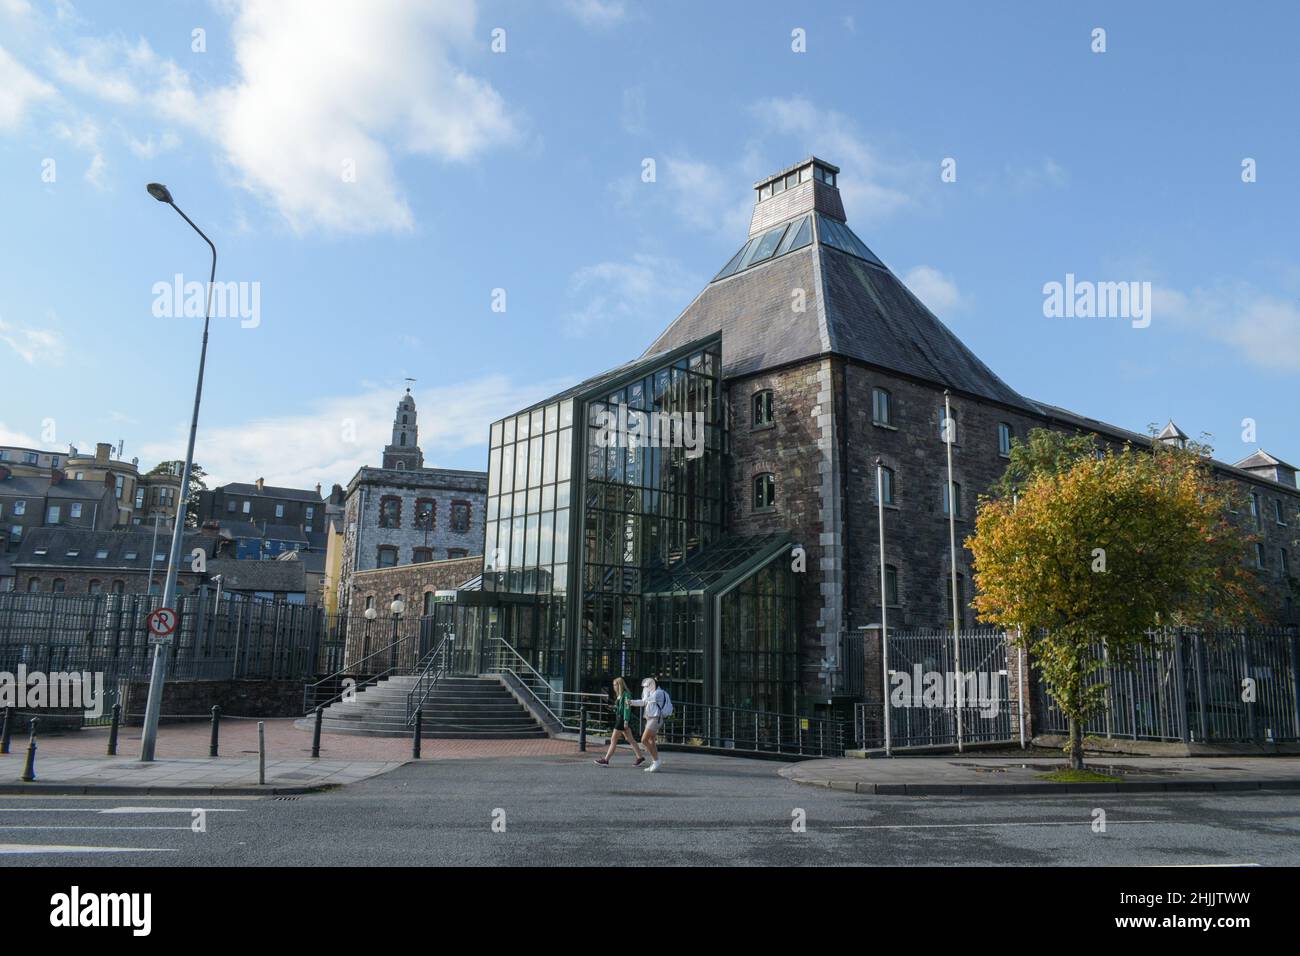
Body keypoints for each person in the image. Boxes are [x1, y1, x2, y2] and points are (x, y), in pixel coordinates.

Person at [593, 677, 645, 767]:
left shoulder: (626, 695)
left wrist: (625, 720)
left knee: (613, 740)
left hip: (622, 719)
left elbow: (627, 709)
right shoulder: (620, 695)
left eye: (615, 685)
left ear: (619, 685)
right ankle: (640, 757)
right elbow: (620, 708)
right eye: (613, 685)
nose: (613, 686)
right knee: (630, 739)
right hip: (620, 718)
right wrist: (613, 708)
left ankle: (606, 760)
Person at [628, 676, 667, 773]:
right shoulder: (654, 692)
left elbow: (644, 701)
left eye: (648, 685)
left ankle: (657, 761)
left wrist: (632, 702)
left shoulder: (658, 693)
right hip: (652, 718)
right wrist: (631, 702)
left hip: (655, 718)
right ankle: (655, 762)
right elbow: (644, 701)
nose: (646, 687)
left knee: (644, 740)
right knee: (651, 739)